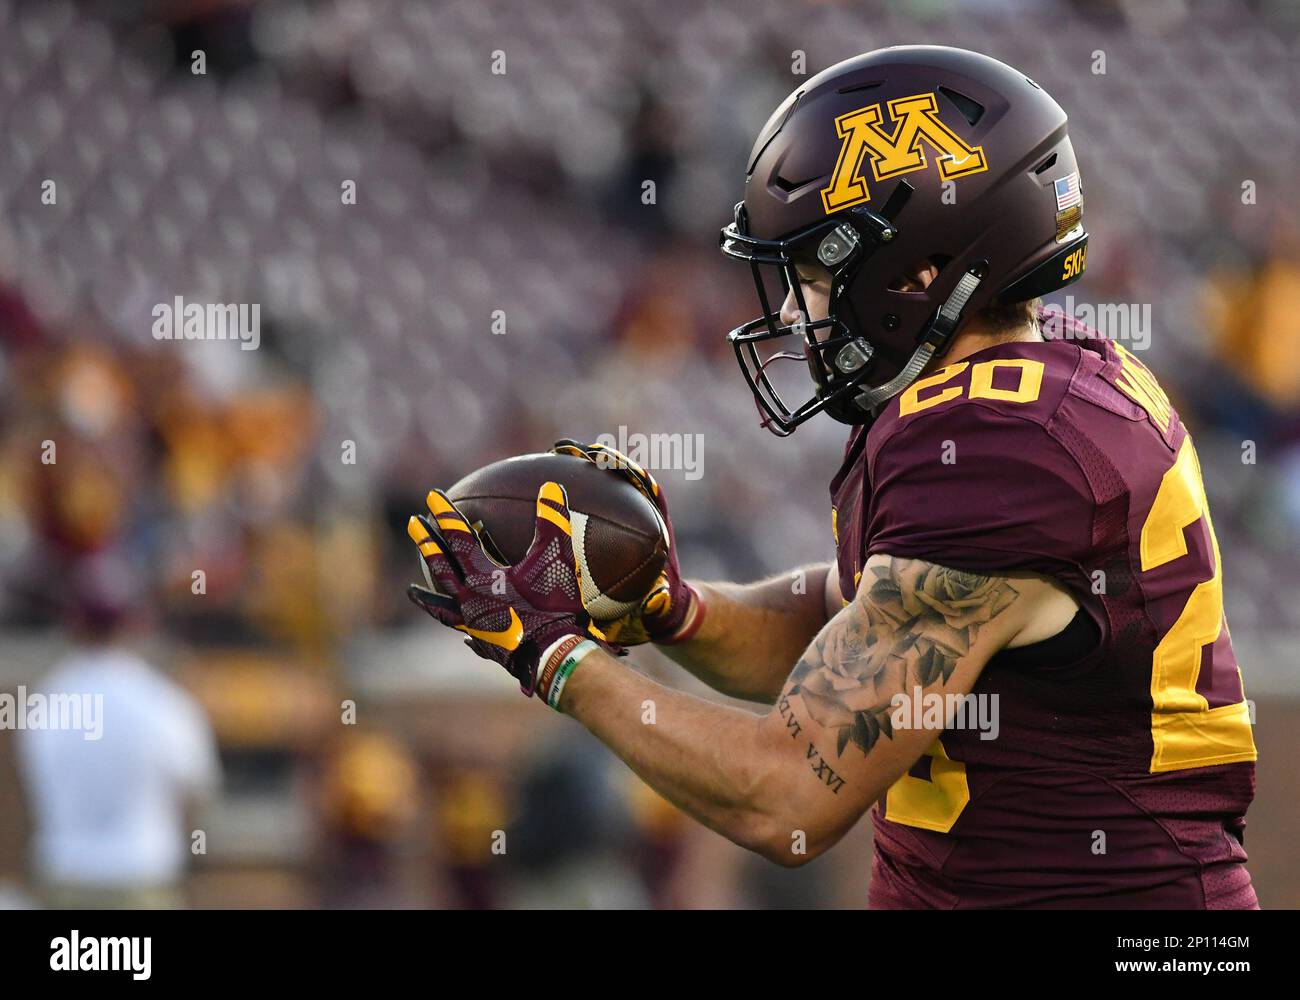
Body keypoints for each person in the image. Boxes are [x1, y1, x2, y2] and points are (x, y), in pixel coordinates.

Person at [405, 46, 1257, 908]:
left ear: (917, 272)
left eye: (812, 276)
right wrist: (671, 608)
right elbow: (855, 626)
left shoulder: (999, 447)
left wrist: (557, 661)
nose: (787, 312)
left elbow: (786, 799)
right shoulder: (1043, 369)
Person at [17, 554, 221, 909]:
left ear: (74, 621)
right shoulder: (164, 704)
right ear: (136, 621)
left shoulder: (46, 704)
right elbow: (197, 794)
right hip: (142, 883)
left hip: (66, 882)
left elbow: (27, 799)